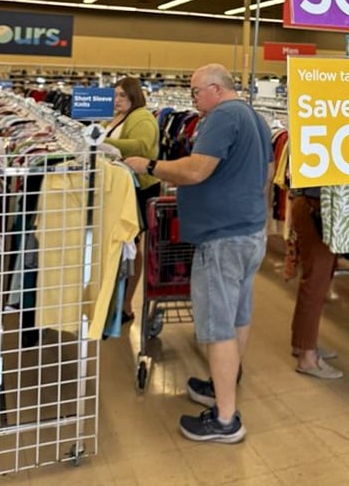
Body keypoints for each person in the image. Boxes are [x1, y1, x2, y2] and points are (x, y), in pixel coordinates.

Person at [126, 63, 273, 444]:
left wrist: (150, 166)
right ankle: (220, 385)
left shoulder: (222, 117)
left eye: (194, 92)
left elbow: (196, 170)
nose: (193, 100)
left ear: (215, 88)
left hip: (222, 238)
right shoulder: (253, 117)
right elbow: (269, 171)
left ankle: (225, 420)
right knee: (238, 316)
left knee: (218, 326)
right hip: (248, 231)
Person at [103, 76, 159, 322]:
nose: (117, 100)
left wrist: (102, 142)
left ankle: (125, 305)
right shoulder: (116, 117)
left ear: (134, 96)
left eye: (122, 95)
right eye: (115, 95)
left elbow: (142, 146)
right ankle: (115, 300)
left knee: (132, 245)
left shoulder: (143, 117)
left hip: (140, 187)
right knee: (124, 243)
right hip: (123, 185)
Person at [289, 187, 343, 378]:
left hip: (313, 206)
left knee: (315, 280)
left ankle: (302, 342)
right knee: (315, 283)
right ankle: (307, 357)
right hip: (316, 208)